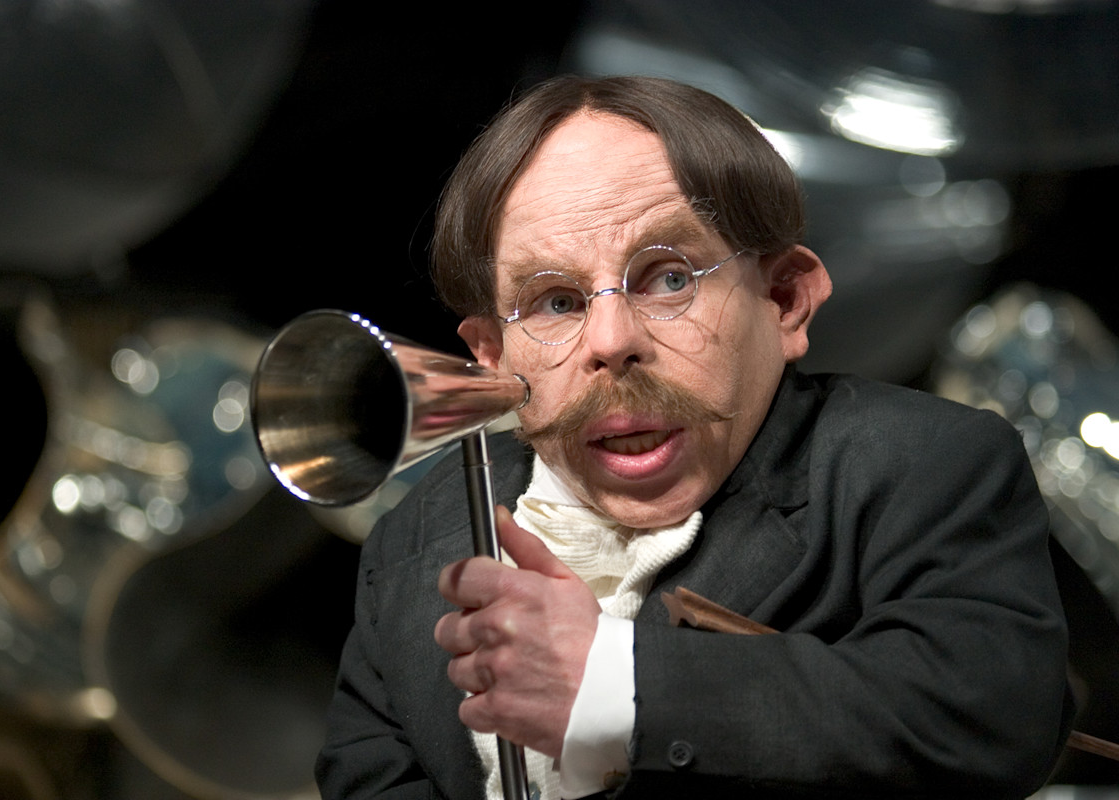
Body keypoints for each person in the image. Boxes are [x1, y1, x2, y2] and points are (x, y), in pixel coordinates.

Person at [314, 75, 1074, 799]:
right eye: (555, 302)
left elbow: (992, 719)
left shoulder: (925, 464)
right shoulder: (412, 543)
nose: (611, 341)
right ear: (490, 356)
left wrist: (614, 685)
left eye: (669, 277)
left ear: (785, 300)